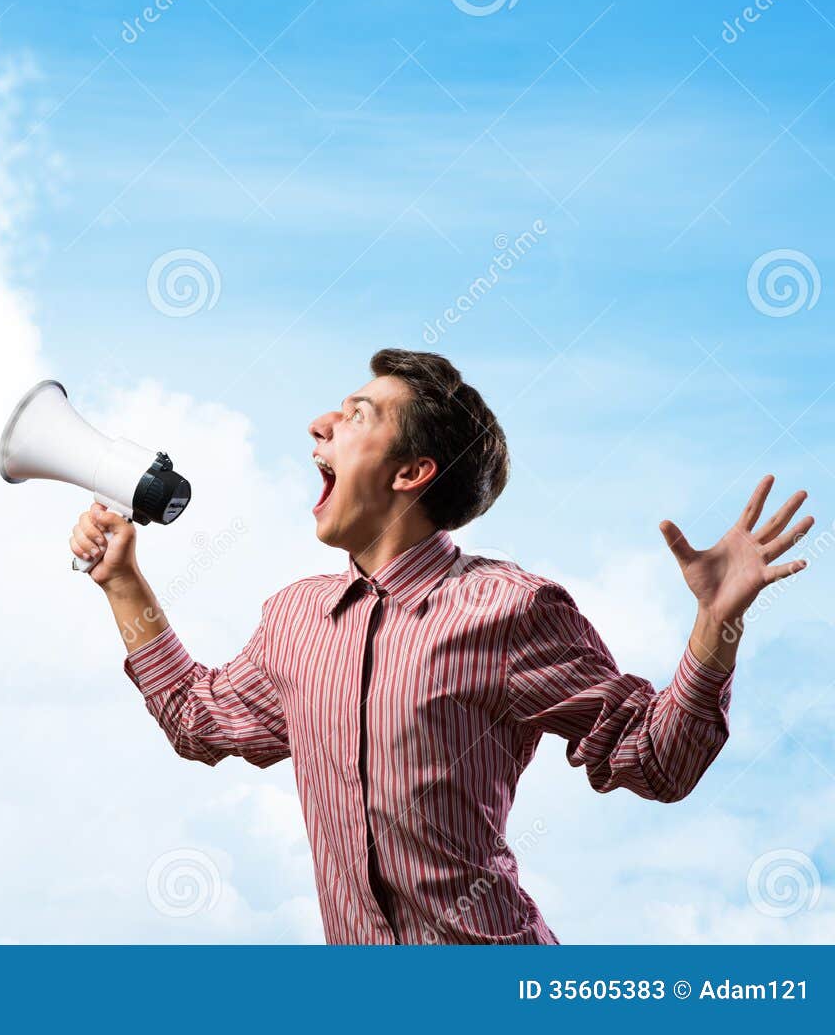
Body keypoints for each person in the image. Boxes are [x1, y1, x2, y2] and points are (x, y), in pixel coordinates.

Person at [72, 348, 812, 943]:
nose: (318, 424)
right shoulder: (295, 621)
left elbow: (658, 762)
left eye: (356, 414)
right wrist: (122, 581)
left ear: (410, 472)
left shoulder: (511, 609)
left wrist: (717, 624)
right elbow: (196, 719)